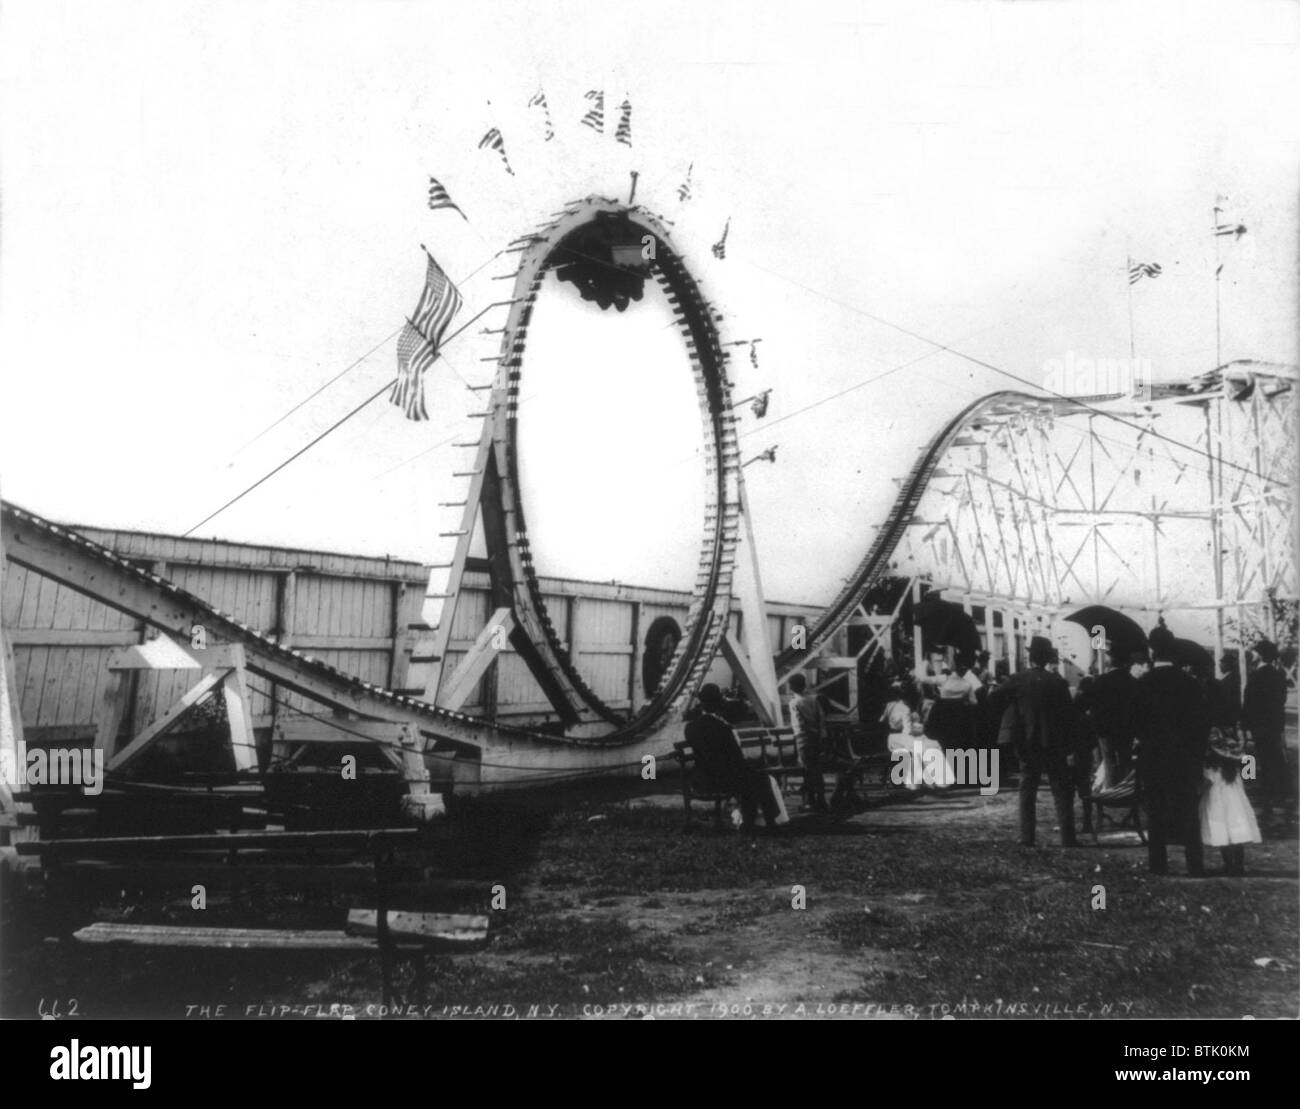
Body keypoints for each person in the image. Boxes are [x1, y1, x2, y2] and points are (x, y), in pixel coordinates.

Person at [988, 635, 1080, 847]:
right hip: (1054, 741)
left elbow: (993, 698)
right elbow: (1069, 715)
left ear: (1030, 658)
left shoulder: (1018, 679)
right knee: (1061, 789)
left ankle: (1027, 836)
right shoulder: (1059, 682)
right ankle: (1068, 837)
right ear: (1048, 658)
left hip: (1027, 741)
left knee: (1028, 788)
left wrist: (1013, 707)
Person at [1132, 622, 1208, 876]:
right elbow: (1202, 724)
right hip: (1185, 758)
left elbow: (1134, 722)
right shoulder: (1191, 684)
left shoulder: (1143, 683)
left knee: (1155, 810)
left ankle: (1158, 864)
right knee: (1189, 810)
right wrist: (1197, 756)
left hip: (1153, 756)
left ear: (1152, 651)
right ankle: (1195, 865)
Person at [683, 684, 781, 833]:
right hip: (723, 780)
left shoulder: (690, 728)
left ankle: (752, 821)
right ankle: (762, 821)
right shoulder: (723, 727)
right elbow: (736, 757)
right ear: (718, 704)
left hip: (702, 778)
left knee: (750, 777)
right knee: (759, 778)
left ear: (702, 703)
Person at [1242, 638, 1290, 826]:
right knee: (1272, 759)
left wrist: (1244, 725)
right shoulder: (1278, 676)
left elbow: (1249, 703)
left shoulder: (1256, 676)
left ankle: (1257, 792)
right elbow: (1280, 702)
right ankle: (1275, 795)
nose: (1252, 654)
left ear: (1261, 655)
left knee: (1253, 758)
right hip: (1273, 726)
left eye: (1255, 652)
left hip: (1258, 726)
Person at [1200, 727, 1261, 876]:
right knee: (1236, 828)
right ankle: (1239, 865)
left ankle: (1229, 865)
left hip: (1217, 796)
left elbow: (1207, 780)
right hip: (1236, 795)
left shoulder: (1212, 764)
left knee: (1222, 828)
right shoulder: (1237, 761)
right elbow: (1250, 771)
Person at [787, 672, 829, 812]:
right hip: (816, 738)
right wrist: (821, 735)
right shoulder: (814, 699)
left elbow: (799, 724)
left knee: (807, 770)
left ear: (792, 687)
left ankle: (810, 801)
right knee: (817, 770)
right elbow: (821, 719)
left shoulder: (794, 703)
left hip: (803, 739)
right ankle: (821, 799)